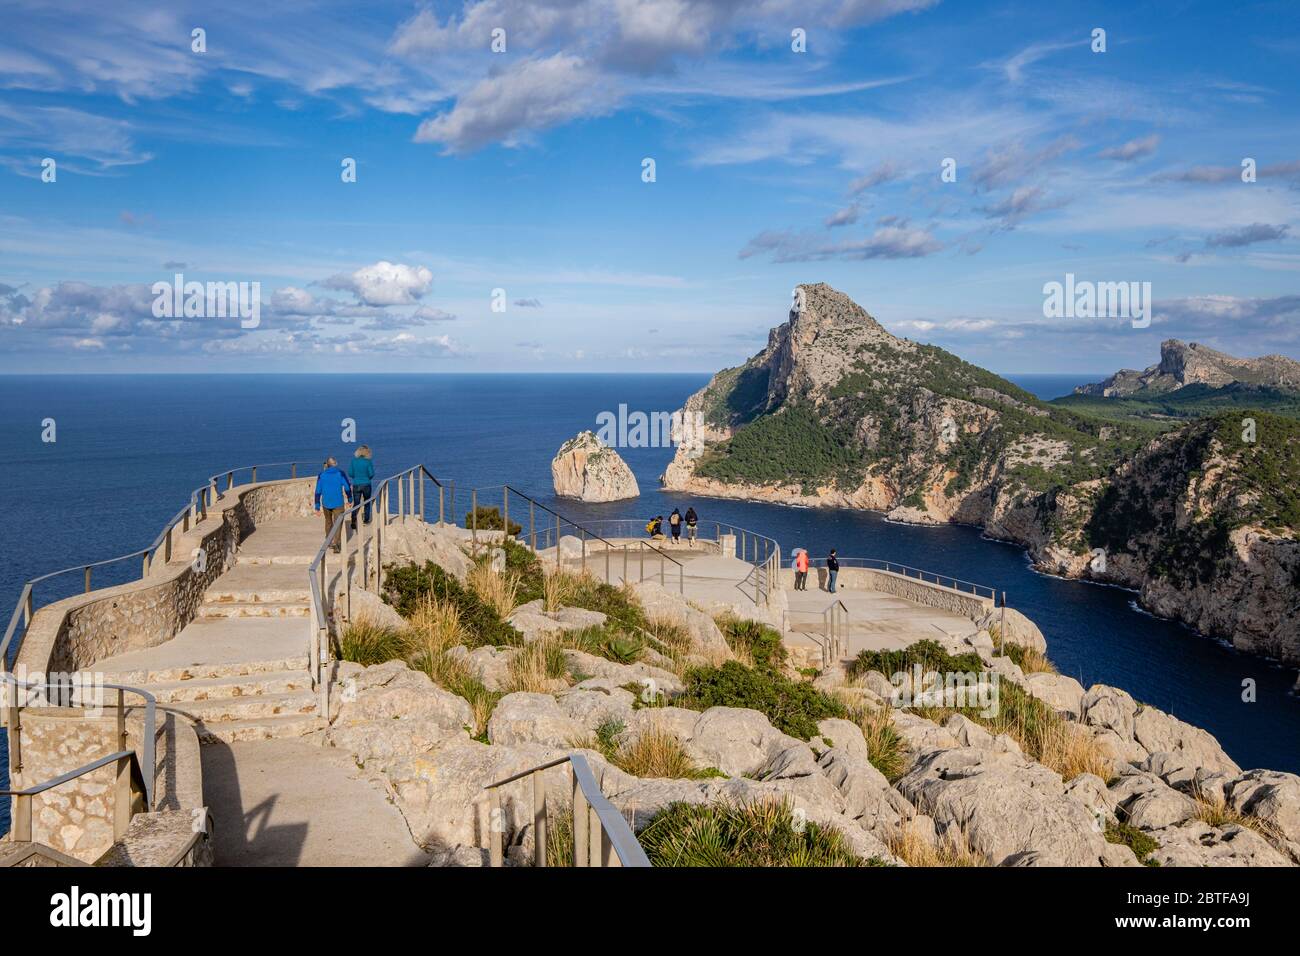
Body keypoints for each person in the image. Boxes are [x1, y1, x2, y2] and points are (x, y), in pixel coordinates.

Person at [314, 457, 352, 553]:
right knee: (338, 523)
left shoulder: (321, 475)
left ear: (327, 465)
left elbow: (318, 491)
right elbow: (347, 487)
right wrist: (350, 499)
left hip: (326, 503)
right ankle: (336, 545)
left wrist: (317, 506)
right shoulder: (340, 473)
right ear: (336, 463)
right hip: (338, 503)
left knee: (328, 521)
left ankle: (328, 541)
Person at [349, 445, 375, 530]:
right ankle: (366, 520)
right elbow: (371, 474)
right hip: (366, 484)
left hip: (356, 484)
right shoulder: (368, 462)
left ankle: (353, 520)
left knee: (356, 503)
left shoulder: (353, 461)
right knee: (367, 502)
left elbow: (350, 473)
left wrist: (356, 477)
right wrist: (367, 478)